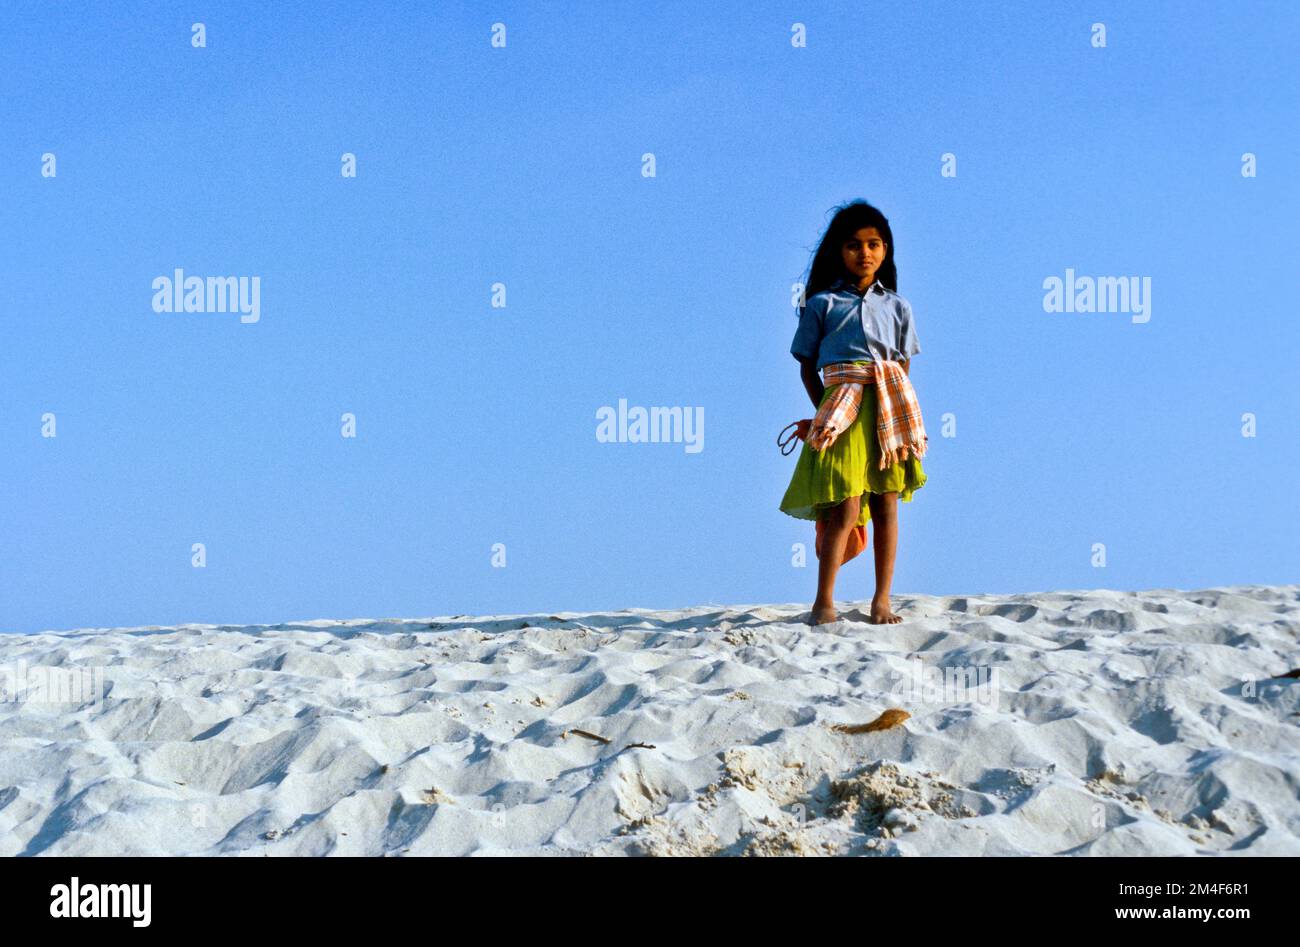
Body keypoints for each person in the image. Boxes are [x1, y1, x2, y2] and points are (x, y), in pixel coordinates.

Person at [779, 200, 927, 626]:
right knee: (844, 504)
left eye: (874, 244)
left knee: (887, 503)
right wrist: (825, 410)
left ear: (885, 251)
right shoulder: (822, 304)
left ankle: (882, 599)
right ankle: (823, 600)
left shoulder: (898, 307)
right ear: (838, 251)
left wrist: (891, 402)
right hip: (840, 410)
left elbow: (902, 365)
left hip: (888, 409)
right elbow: (807, 364)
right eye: (854, 245)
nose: (864, 253)